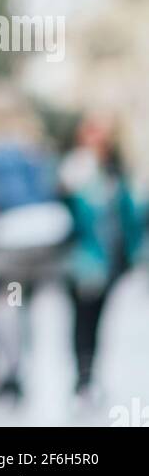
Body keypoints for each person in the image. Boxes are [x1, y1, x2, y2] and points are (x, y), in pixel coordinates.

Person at [59, 113, 144, 406]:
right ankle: (82, 379)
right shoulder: (73, 167)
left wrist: (133, 253)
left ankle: (90, 376)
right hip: (80, 259)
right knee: (82, 318)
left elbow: (130, 215)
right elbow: (64, 210)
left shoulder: (116, 172)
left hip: (112, 259)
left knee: (99, 319)